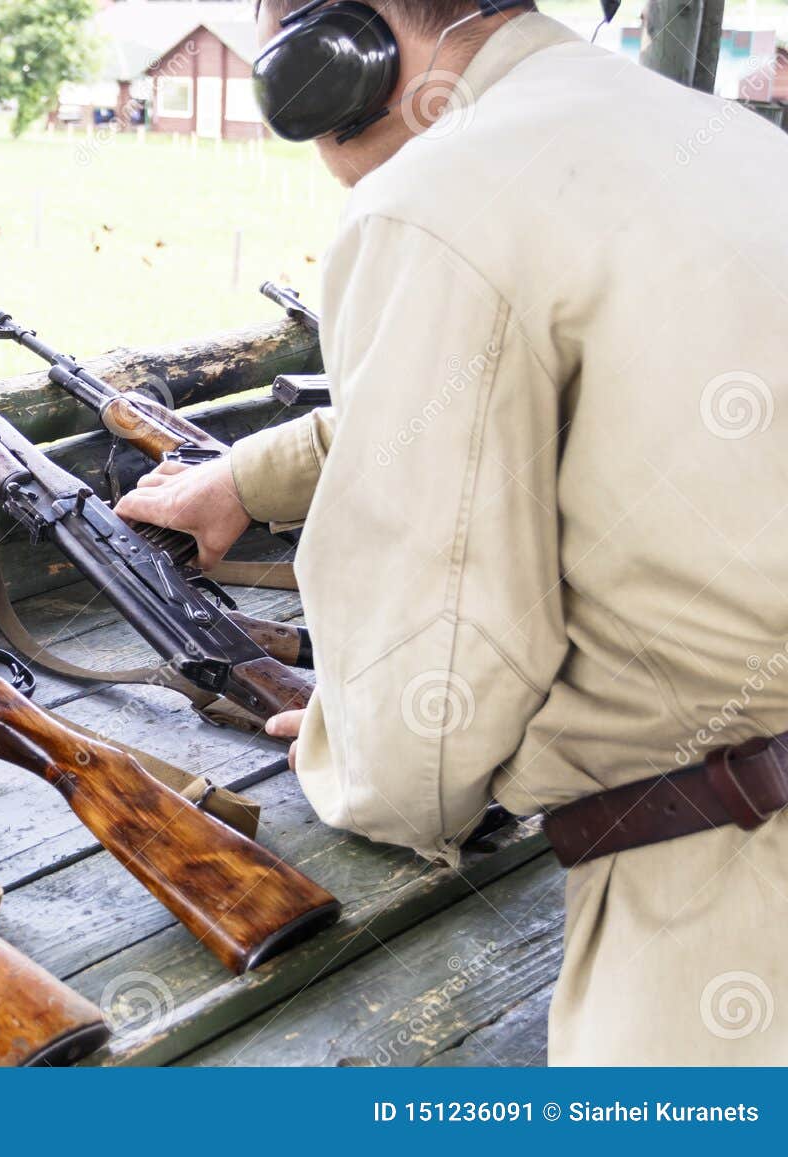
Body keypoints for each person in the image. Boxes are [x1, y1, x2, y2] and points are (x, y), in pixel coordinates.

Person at [116, 0, 788, 1064]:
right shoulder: (726, 140)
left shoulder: (434, 201)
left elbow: (422, 756)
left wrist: (348, 737)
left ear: (333, 58)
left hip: (731, 896)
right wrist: (244, 476)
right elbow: (540, 381)